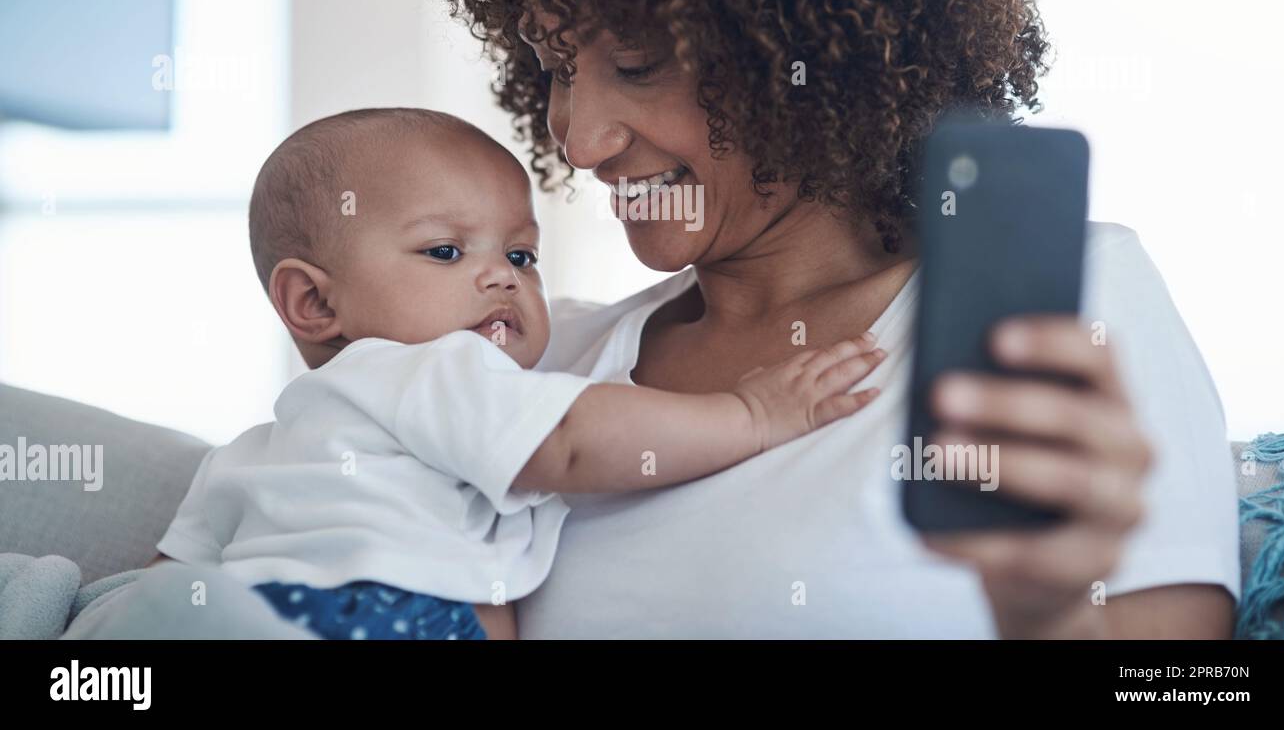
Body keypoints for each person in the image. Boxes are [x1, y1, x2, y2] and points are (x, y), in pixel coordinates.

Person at [405, 0, 1240, 637]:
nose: (579, 141)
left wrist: (1053, 610)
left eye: (640, 60)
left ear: (801, 43)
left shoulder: (1075, 305)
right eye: (554, 65)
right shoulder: (528, 358)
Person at [150, 107, 886, 640]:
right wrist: (751, 415)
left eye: (521, 255)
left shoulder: (261, 444)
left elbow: (164, 576)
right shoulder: (432, 368)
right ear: (312, 300)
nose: (501, 278)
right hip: (368, 615)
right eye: (445, 252)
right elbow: (571, 437)